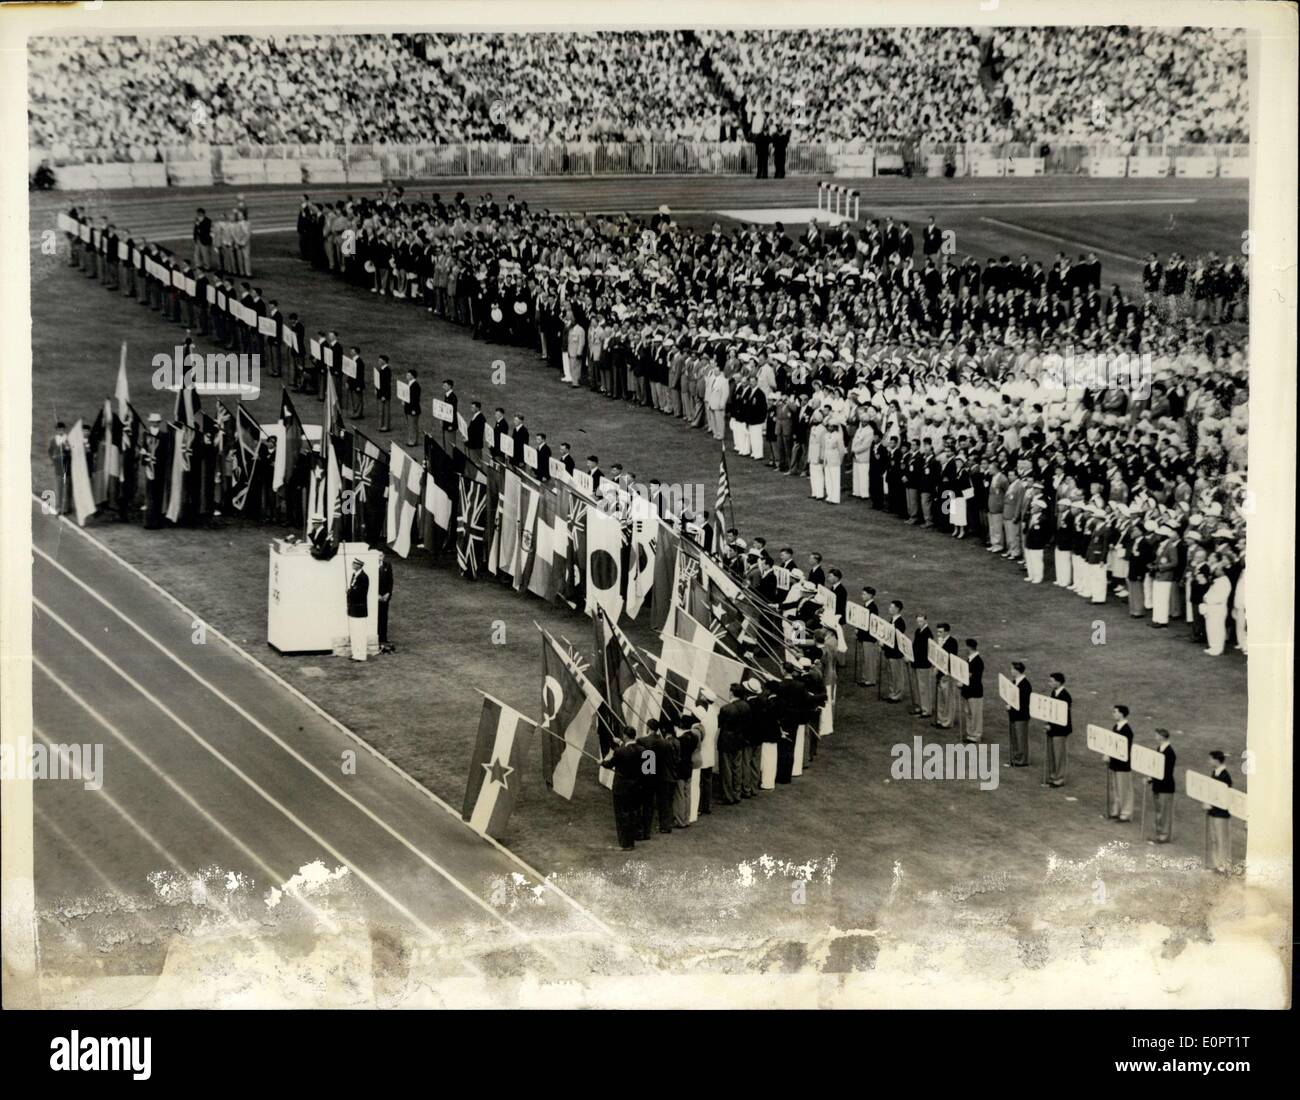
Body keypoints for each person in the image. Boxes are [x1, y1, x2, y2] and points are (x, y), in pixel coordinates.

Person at [602, 727, 643, 850]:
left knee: (622, 815)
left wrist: (601, 762)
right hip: (636, 787)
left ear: (625, 736)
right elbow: (649, 770)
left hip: (622, 788)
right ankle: (633, 838)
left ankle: (626, 844)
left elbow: (609, 764)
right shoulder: (644, 750)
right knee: (633, 813)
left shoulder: (620, 752)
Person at [1105, 704, 1135, 823]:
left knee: (1124, 789)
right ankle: (1117, 810)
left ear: (1122, 714)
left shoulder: (1127, 730)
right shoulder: (1116, 727)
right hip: (1115, 763)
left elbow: (1123, 749)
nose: (1114, 714)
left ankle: (1126, 813)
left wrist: (1111, 756)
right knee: (1116, 788)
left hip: (1122, 764)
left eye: (1115, 712)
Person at [1205, 750, 1233, 873]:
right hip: (1213, 812)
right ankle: (1218, 865)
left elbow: (1222, 797)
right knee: (1215, 839)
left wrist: (1210, 805)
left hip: (1221, 814)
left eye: (1210, 759)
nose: (1209, 761)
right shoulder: (1215, 772)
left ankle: (1225, 867)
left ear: (1216, 760)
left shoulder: (1225, 776)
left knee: (1221, 840)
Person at [1043, 671, 1072, 786]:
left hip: (1060, 730)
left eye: (1052, 681)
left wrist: (1051, 725)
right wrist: (1048, 723)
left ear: (1058, 682)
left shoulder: (1065, 696)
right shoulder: (1054, 693)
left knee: (1059, 754)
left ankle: (1059, 778)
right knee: (1052, 753)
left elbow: (1061, 716)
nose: (1050, 683)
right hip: (1052, 729)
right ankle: (1053, 775)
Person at [1148, 727, 1176, 843]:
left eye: (1157, 735)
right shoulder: (1160, 749)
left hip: (1165, 787)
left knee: (1164, 813)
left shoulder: (1169, 753)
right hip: (1158, 785)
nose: (1155, 737)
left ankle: (1164, 836)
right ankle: (1159, 834)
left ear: (1161, 737)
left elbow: (1164, 771)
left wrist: (1152, 778)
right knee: (1159, 811)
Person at [931, 623, 960, 729]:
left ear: (946, 632)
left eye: (941, 632)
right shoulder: (940, 642)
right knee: (941, 698)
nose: (938, 634)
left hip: (947, 674)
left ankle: (947, 721)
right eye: (938, 632)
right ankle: (940, 719)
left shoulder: (952, 642)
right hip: (940, 674)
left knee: (948, 698)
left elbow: (949, 659)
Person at [908, 613, 934, 718]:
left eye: (921, 621)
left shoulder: (928, 634)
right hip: (917, 663)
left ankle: (926, 709)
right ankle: (919, 706)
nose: (919, 623)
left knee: (924, 688)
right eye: (918, 621)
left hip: (923, 665)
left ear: (926, 621)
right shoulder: (918, 631)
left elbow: (925, 651)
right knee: (917, 687)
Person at [1007, 661, 1032, 766]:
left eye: (1012, 669)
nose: (1011, 671)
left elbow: (1023, 702)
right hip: (1014, 714)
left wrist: (1011, 706)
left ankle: (1022, 760)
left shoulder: (1025, 684)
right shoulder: (1015, 682)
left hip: (1021, 715)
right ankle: (1016, 758)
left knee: (1020, 737)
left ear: (1017, 671)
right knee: (1014, 737)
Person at [882, 601, 906, 702]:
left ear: (897, 609)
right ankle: (892, 693)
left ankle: (897, 694)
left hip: (895, 653)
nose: (889, 609)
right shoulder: (892, 620)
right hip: (889, 652)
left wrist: (885, 644)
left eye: (892, 607)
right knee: (891, 674)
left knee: (897, 675)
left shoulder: (900, 623)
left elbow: (896, 639)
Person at [346, 558, 370, 661]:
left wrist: (350, 592)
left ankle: (361, 655)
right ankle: (355, 653)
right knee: (354, 632)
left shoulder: (364, 577)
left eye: (354, 563)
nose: (352, 564)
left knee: (360, 632)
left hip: (359, 610)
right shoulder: (354, 575)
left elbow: (360, 593)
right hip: (353, 608)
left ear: (359, 565)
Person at [48, 421, 71, 515]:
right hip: (58, 468)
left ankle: (66, 507)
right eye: (59, 429)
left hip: (67, 467)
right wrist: (53, 459)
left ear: (64, 430)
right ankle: (58, 507)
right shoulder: (53, 440)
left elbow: (71, 451)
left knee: (67, 487)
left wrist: (68, 450)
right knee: (59, 487)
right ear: (56, 430)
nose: (61, 431)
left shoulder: (68, 440)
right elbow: (50, 451)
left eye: (62, 429)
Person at [377, 551, 394, 652]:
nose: (381, 557)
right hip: (377, 596)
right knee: (377, 616)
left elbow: (390, 581)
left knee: (384, 616)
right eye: (379, 555)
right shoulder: (372, 566)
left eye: (382, 555)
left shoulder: (387, 565)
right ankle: (377, 636)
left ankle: (383, 637)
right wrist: (376, 595)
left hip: (385, 595)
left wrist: (388, 593)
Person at [403, 369, 422, 446]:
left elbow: (415, 399)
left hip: (412, 409)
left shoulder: (415, 386)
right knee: (411, 425)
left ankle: (412, 441)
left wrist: (413, 409)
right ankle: (412, 439)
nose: (406, 376)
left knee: (412, 425)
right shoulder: (410, 384)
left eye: (408, 375)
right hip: (409, 408)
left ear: (412, 376)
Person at [374, 354, 392, 432]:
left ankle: (386, 426)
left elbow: (386, 385)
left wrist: (384, 395)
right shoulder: (381, 370)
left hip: (384, 394)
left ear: (384, 361)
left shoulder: (387, 371)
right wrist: (377, 389)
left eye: (380, 360)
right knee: (380, 411)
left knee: (385, 411)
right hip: (380, 393)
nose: (378, 362)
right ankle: (380, 425)